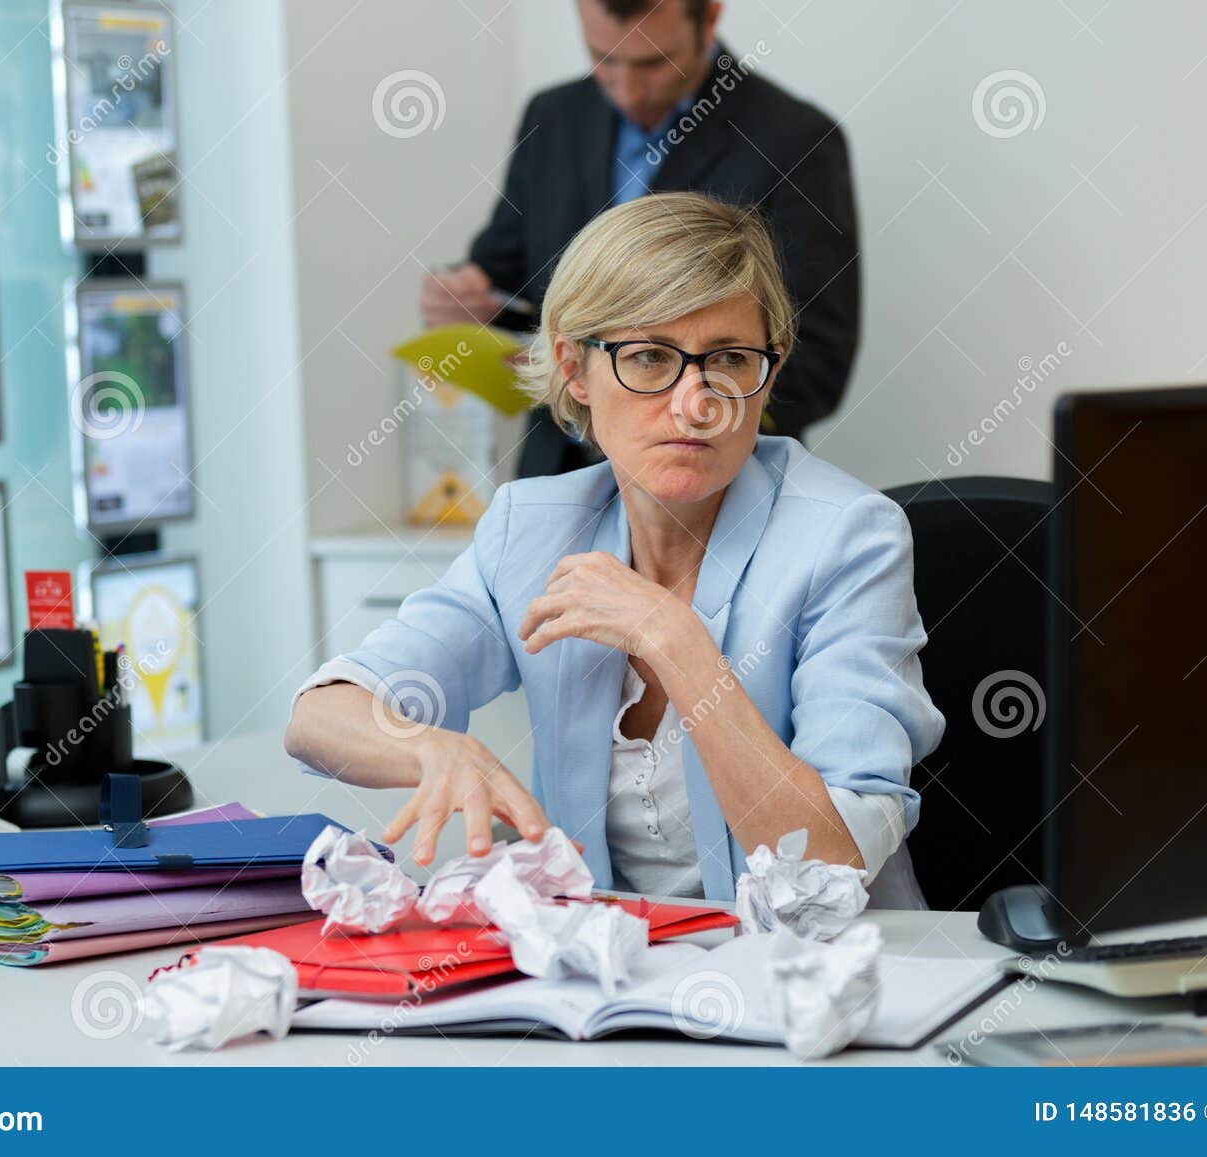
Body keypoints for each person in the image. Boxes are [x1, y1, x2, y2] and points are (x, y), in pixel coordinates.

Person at [291, 192, 940, 907]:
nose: (696, 403)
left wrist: (671, 637)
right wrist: (433, 746)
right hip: (607, 985)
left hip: (822, 984)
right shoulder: (531, 528)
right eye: (650, 357)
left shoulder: (847, 536)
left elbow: (828, 859)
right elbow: (319, 718)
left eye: (728, 358)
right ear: (573, 368)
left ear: (770, 370)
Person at [421, 0, 860, 478]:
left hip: (715, 487)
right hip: (556, 474)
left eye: (653, 63)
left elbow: (818, 361)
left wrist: (675, 406)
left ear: (710, 17)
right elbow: (507, 276)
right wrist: (465, 296)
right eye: (603, 59)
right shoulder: (552, 117)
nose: (627, 91)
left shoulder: (796, 141)